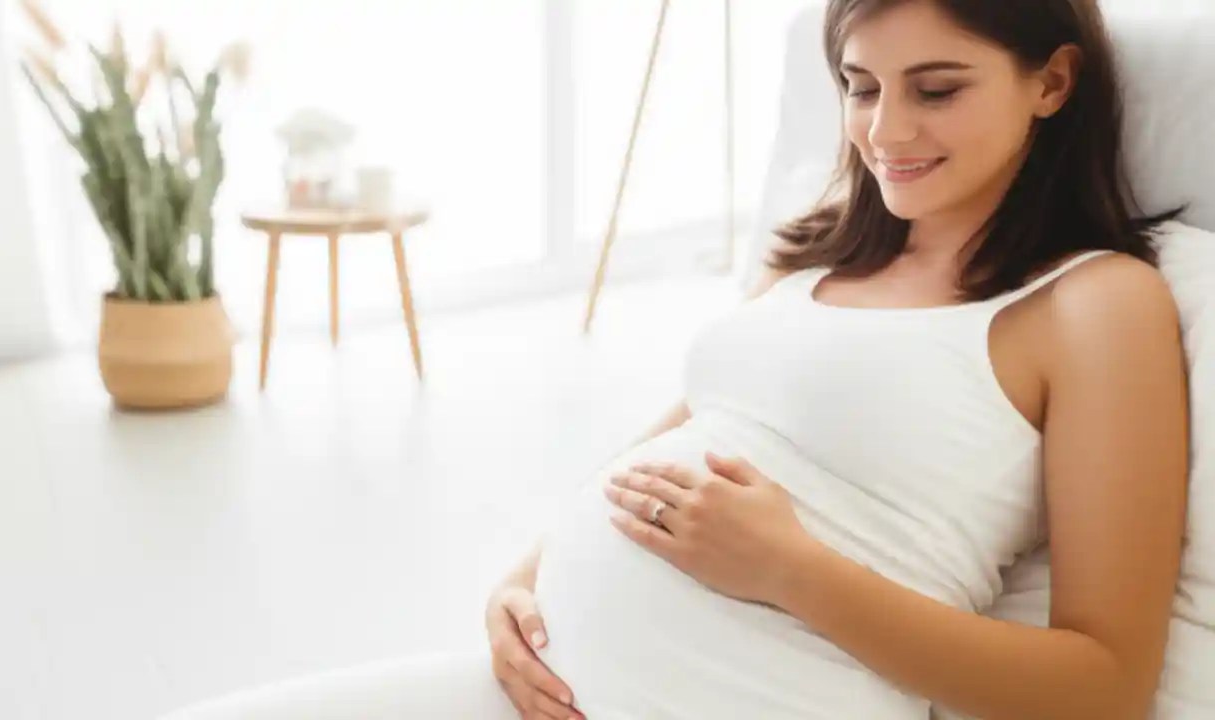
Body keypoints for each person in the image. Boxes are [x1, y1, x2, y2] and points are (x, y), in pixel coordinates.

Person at [165, 0, 1189, 718]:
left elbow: (1098, 688)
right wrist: (525, 580)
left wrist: (790, 570)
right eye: (858, 85)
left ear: (1050, 80)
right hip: (552, 687)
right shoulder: (826, 247)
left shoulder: (1092, 304)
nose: (885, 132)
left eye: (935, 89)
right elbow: (685, 430)